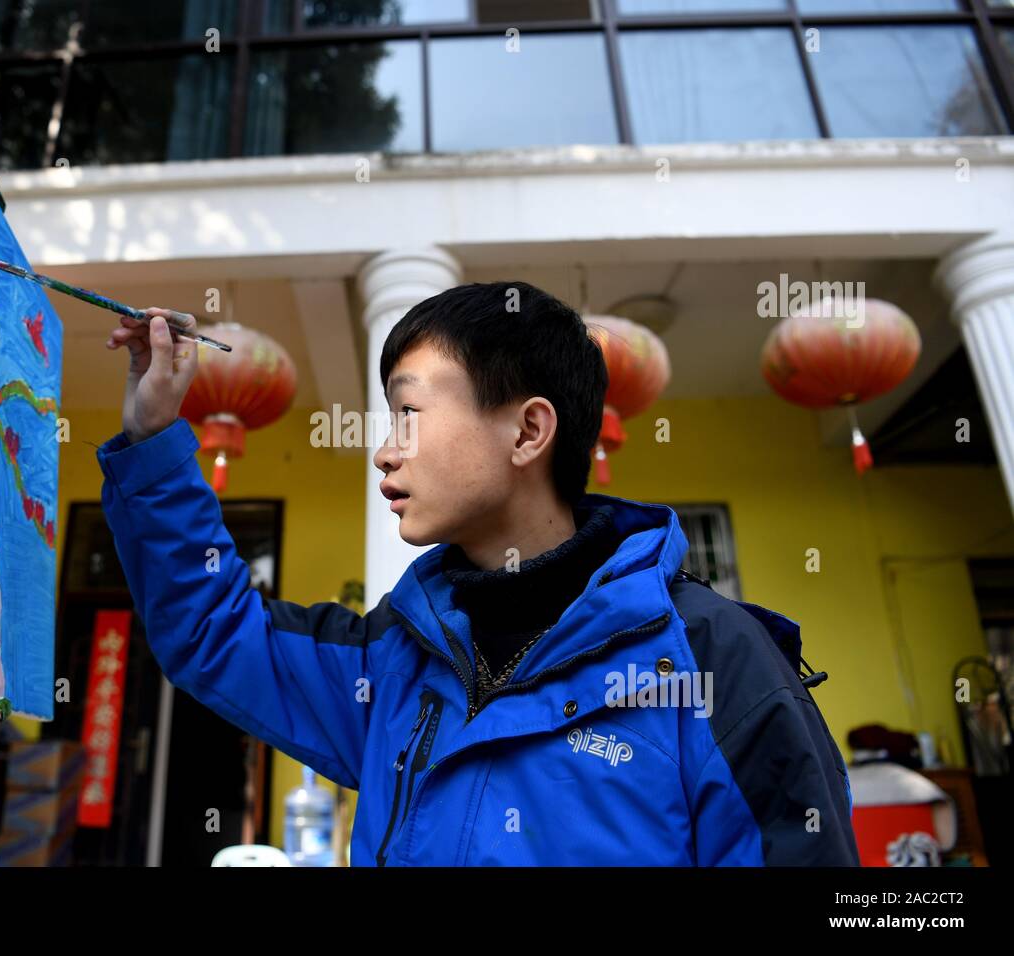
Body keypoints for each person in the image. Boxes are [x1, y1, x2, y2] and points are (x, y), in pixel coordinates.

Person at [97, 282, 859, 866]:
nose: (385, 452)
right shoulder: (395, 659)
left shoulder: (713, 663)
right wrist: (155, 434)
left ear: (528, 429)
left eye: (409, 413)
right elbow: (216, 632)